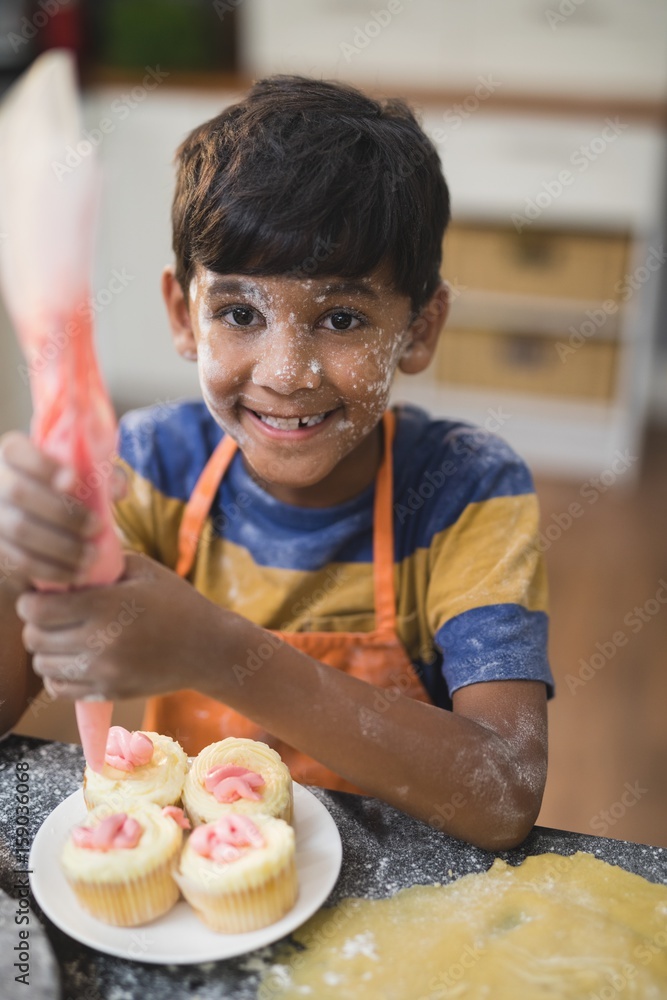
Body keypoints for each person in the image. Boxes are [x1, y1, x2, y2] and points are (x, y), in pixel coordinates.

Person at [0, 76, 553, 849]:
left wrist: (221, 652)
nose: (286, 372)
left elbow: (502, 795)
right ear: (180, 316)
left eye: (341, 317)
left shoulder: (466, 490)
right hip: (207, 893)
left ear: (420, 328)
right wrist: (17, 567)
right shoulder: (147, 464)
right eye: (239, 313)